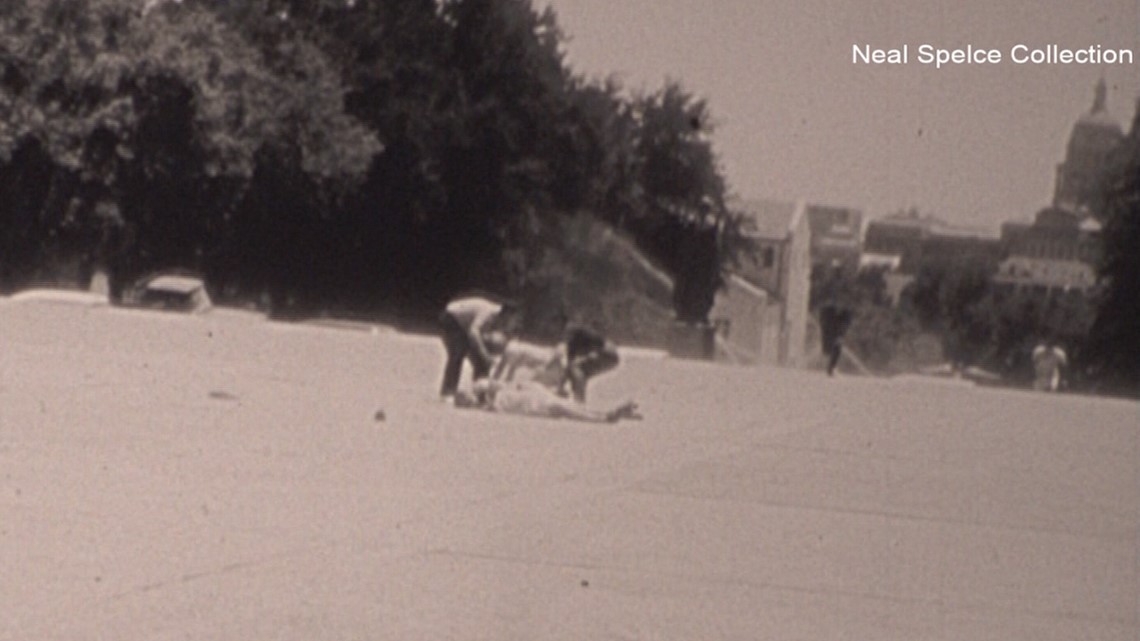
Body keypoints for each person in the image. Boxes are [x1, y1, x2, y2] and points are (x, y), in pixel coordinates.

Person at [438, 294, 519, 400]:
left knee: (480, 360)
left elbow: (491, 338)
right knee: (458, 353)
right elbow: (473, 332)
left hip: (466, 324)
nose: (513, 321)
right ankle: (447, 393)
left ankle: (480, 393)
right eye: (512, 318)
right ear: (506, 314)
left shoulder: (500, 319)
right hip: (452, 317)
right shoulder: (489, 312)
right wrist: (485, 354)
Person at [455, 378, 641, 424]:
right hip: (532, 404)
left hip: (533, 397)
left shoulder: (483, 388)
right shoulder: (485, 406)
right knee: (563, 407)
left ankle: (607, 414)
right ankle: (605, 417)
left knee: (567, 406)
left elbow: (497, 384)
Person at [819, 304, 852, 376]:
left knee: (834, 349)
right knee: (835, 349)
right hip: (833, 330)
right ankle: (831, 368)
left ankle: (831, 368)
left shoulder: (837, 317)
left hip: (832, 329)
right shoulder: (836, 317)